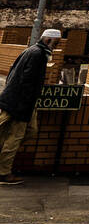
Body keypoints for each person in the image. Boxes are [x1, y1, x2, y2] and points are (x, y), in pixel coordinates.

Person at [0, 29, 62, 185]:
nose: (57, 45)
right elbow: (27, 81)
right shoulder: (38, 55)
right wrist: (24, 104)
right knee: (15, 137)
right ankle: (3, 173)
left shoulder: (32, 51)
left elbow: (13, 72)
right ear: (48, 40)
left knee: (28, 131)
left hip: (15, 100)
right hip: (20, 102)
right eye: (57, 42)